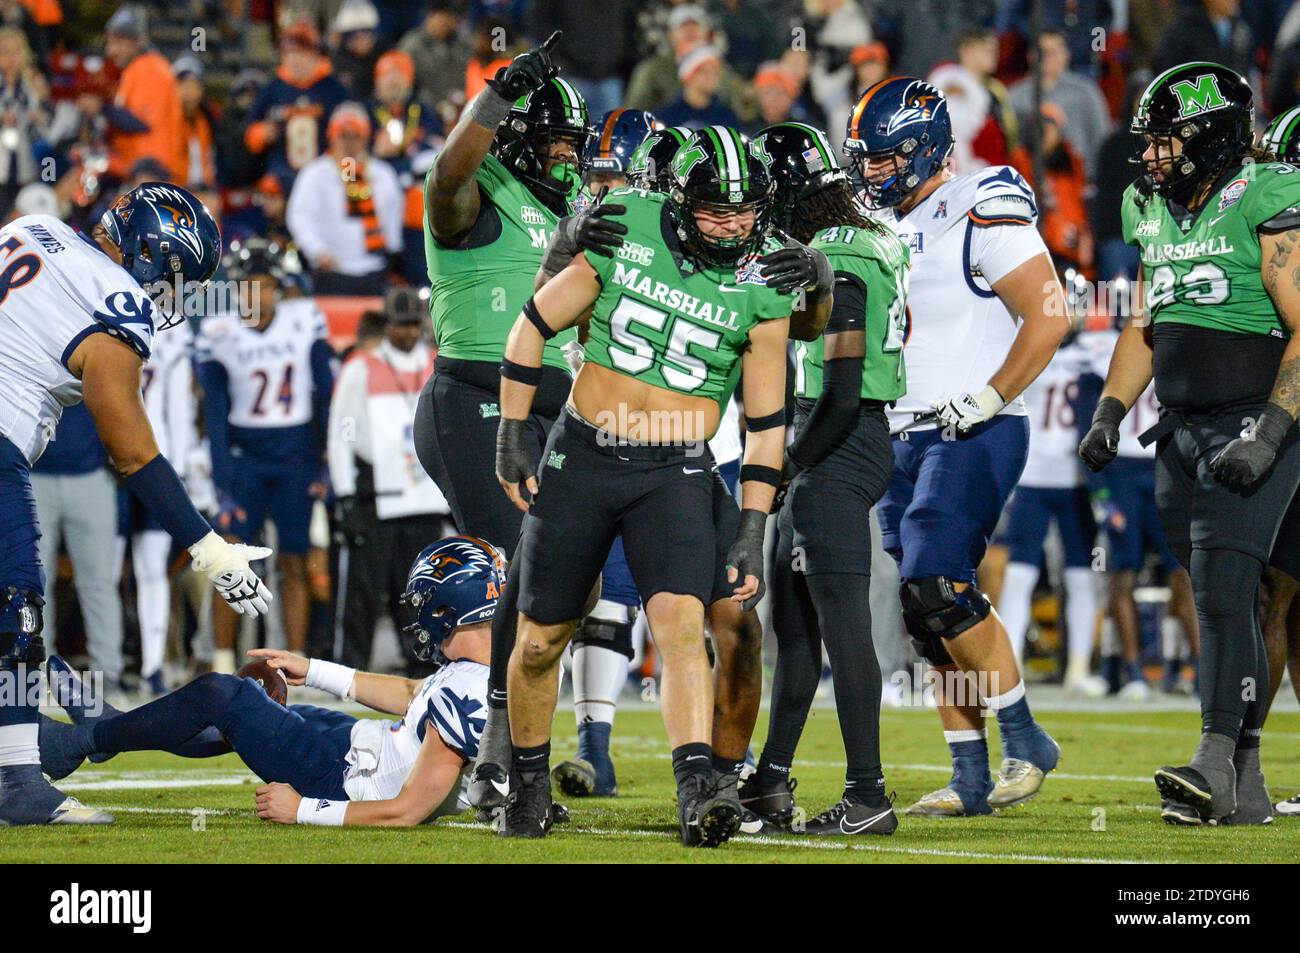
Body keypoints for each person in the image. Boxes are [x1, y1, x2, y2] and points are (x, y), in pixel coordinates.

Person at [493, 125, 830, 846]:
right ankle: (524, 785)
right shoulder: (632, 222)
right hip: (582, 453)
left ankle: (697, 785)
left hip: (675, 466)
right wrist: (513, 428)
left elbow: (766, 422)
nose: (734, 225)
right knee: (540, 640)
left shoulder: (765, 271)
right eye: (716, 211)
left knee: (681, 627)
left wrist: (751, 525)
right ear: (678, 200)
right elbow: (533, 322)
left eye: (745, 211)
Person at [0, 181, 272, 825]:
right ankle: (15, 780)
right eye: (179, 279)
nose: (172, 297)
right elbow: (131, 451)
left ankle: (61, 728)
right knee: (18, 605)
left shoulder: (33, 227)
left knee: (11, 609)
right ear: (155, 253)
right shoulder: (116, 299)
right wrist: (209, 548)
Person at [1079, 63, 1300, 827]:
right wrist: (1112, 407)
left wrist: (1272, 430)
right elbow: (1150, 320)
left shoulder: (1266, 195)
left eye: (1169, 140)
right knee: (1232, 597)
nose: (1153, 156)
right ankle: (1245, 780)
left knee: (1222, 589)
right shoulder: (1150, 205)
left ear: (1212, 135)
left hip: (1255, 413)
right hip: (1180, 426)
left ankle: (1211, 755)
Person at [844, 78, 1069, 818]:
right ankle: (970, 774)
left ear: (924, 150)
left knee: (938, 579)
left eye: (884, 159)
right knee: (923, 607)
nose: (871, 172)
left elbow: (1048, 312)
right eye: (865, 160)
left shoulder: (983, 200)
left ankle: (1023, 734)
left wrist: (992, 396)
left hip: (967, 424)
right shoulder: (880, 226)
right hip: (900, 431)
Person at [411, 35, 609, 812]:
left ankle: (501, 753)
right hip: (476, 399)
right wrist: (494, 98)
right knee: (525, 583)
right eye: (553, 140)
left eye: (574, 143)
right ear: (518, 138)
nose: (565, 156)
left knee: (566, 588)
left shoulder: (570, 213)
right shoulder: (476, 189)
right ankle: (494, 766)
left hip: (550, 406)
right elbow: (447, 173)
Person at [37, 537, 513, 829]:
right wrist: (318, 671)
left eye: (427, 604)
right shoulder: (481, 670)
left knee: (224, 695)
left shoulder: (470, 695)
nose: (421, 618)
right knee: (249, 713)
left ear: (451, 610)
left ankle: (82, 739)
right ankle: (111, 729)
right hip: (359, 747)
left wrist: (304, 809)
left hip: (341, 782)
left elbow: (409, 810)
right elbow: (413, 695)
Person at [742, 121, 908, 836]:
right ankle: (770, 782)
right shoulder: (871, 235)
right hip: (842, 432)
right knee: (797, 622)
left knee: (842, 627)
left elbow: (841, 390)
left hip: (840, 435)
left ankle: (868, 794)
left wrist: (788, 464)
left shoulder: (836, 255)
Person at [195, 238, 334, 672]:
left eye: (265, 285)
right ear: (235, 288)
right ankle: (221, 664)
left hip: (295, 454)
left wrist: (326, 461)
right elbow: (213, 413)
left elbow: (324, 394)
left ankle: (294, 666)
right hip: (244, 457)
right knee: (228, 561)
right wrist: (222, 483)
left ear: (280, 286)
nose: (256, 294)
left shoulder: (304, 320)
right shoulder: (219, 332)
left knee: (294, 562)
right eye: (248, 285)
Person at [328, 286, 451, 671]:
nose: (408, 332)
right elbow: (342, 431)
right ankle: (351, 665)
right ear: (388, 325)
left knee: (423, 589)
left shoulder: (436, 363)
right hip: (375, 491)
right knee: (363, 589)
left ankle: (424, 666)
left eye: (414, 324)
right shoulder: (362, 367)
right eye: (401, 325)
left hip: (425, 494)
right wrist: (345, 493)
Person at [994, 332, 1106, 696]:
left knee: (1076, 577)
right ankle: (1014, 666)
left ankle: (1076, 668)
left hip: (1068, 478)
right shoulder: (1093, 353)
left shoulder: (1035, 347)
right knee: (1021, 574)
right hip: (1041, 477)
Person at [118, 304, 197, 696]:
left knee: (151, 568)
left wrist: (177, 467)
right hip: (107, 465)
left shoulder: (171, 327)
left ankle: (151, 665)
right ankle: (113, 663)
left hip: (153, 458)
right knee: (105, 571)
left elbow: (180, 404)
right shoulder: (97, 303)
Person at [31, 404, 125, 697]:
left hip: (90, 473)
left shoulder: (95, 355)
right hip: (31, 474)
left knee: (99, 582)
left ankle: (107, 673)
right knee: (31, 584)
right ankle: (35, 672)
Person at [287, 102, 404, 296]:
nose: (349, 142)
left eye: (355, 136)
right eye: (343, 135)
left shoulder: (382, 174)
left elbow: (394, 216)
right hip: (331, 271)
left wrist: (391, 253)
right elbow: (299, 216)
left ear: (365, 137)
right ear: (332, 136)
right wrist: (317, 252)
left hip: (375, 269)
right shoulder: (315, 173)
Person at [102, 4, 185, 182]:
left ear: (136, 41)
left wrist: (102, 107)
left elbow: (141, 122)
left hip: (153, 173)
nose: (111, 50)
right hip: (138, 169)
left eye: (117, 42)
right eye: (109, 42)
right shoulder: (136, 68)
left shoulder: (151, 68)